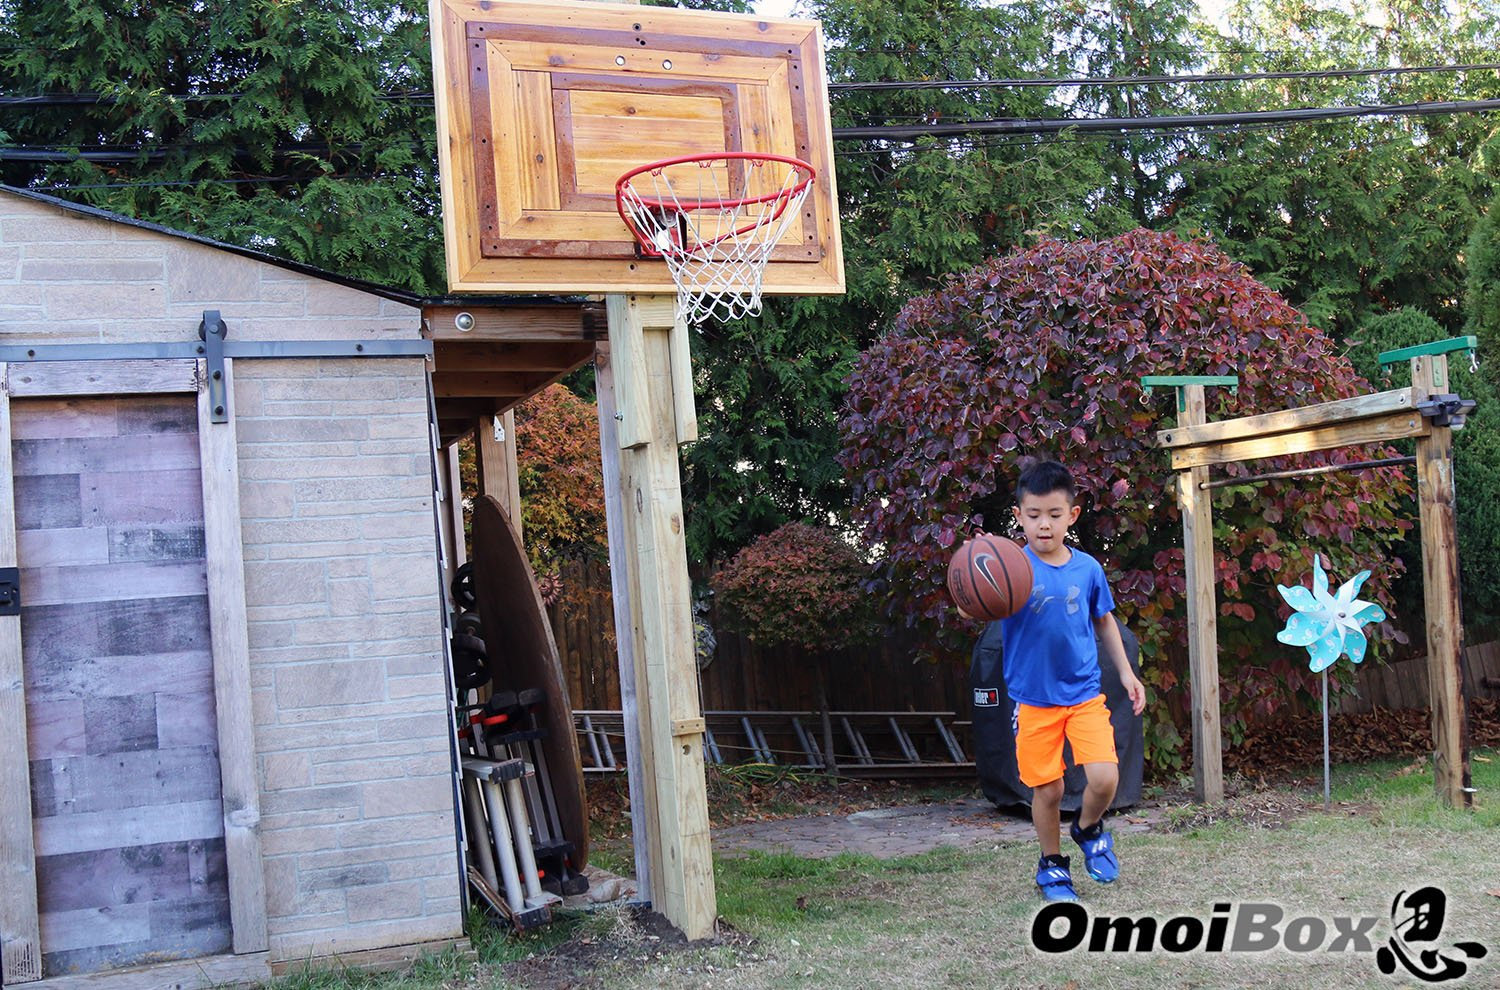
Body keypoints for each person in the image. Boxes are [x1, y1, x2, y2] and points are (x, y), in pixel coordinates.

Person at [1000, 459, 1145, 902]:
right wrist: (972, 594)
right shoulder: (1009, 569)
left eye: (1054, 515)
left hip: (1083, 693)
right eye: (1034, 515)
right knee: (1049, 789)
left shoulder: (1087, 570)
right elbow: (977, 605)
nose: (1044, 525)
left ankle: (1087, 828)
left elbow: (1104, 622)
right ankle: (1052, 866)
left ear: (1072, 515)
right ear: (1019, 515)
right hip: (1034, 700)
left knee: (1104, 779)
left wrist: (1125, 672)